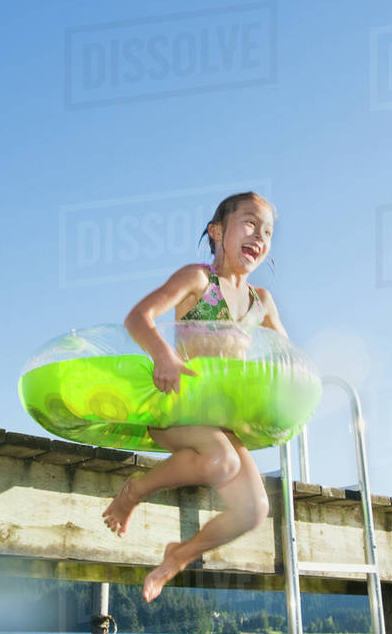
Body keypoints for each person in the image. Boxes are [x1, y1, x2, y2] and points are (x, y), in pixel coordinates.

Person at [101, 192, 286, 601]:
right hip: (176, 408)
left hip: (218, 422)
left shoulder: (261, 302)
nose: (260, 235)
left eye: (268, 230)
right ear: (218, 231)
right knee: (222, 459)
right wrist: (164, 356)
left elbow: (286, 363)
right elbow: (138, 317)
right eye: (251, 222)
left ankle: (179, 556)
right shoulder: (199, 280)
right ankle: (134, 491)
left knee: (254, 511)